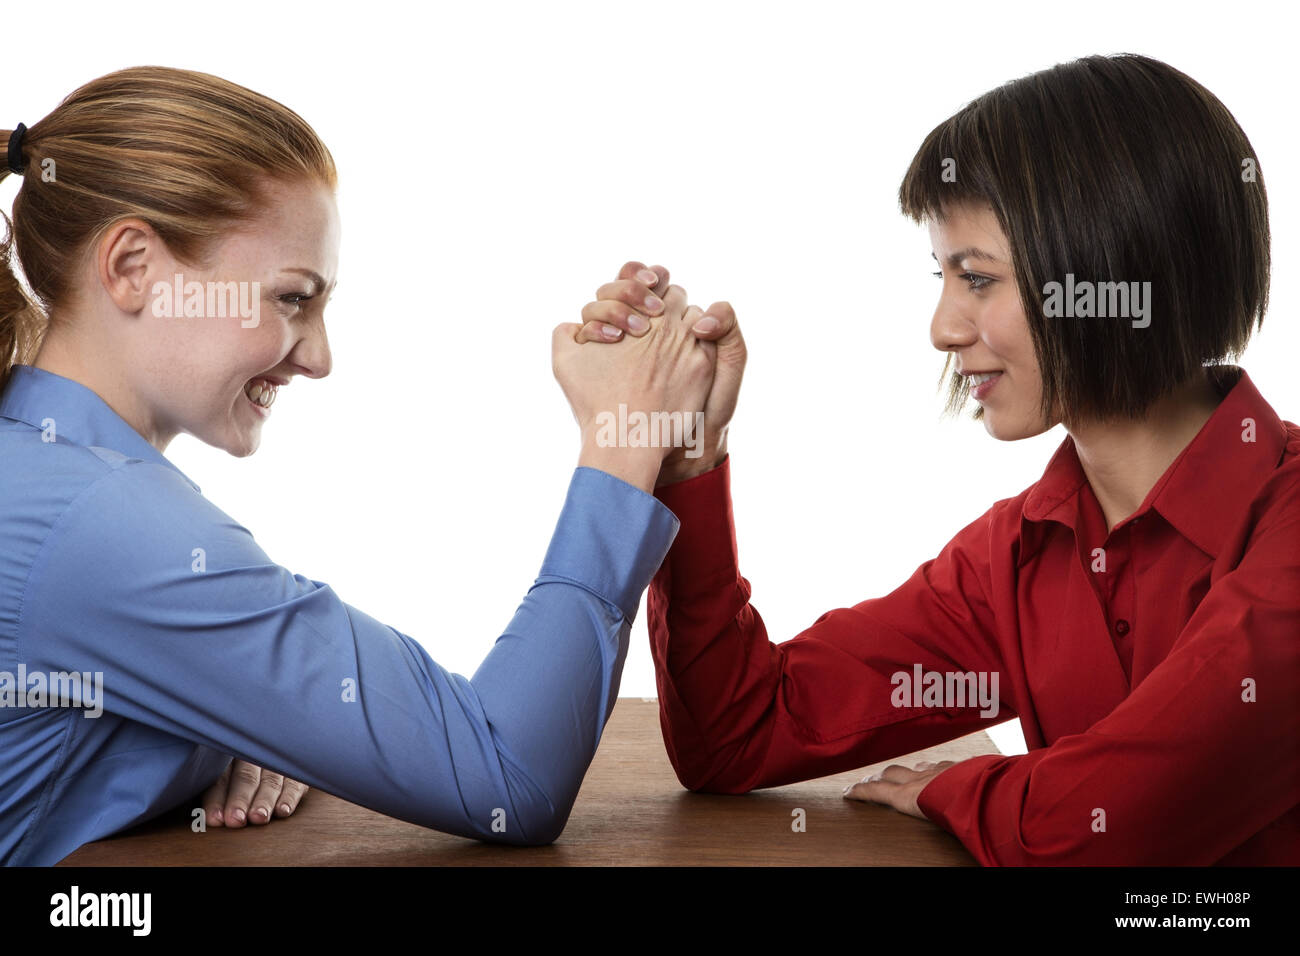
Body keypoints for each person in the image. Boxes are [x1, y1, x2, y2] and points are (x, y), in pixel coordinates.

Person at [577, 53, 1299, 864]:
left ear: (1113, 273)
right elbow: (738, 735)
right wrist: (690, 457)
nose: (943, 328)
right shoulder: (1013, 560)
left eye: (978, 280)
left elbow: (1122, 826)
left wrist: (950, 788)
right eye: (944, 277)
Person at [0, 66, 715, 866]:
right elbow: (508, 777)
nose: (320, 357)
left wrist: (246, 724)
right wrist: (624, 441)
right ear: (133, 268)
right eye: (291, 299)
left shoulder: (37, 469)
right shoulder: (101, 522)